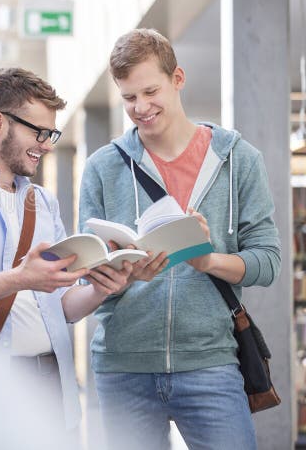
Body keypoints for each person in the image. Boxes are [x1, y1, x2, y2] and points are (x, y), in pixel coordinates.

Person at [78, 28, 281, 450]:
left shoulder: (238, 160)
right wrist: (119, 275)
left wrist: (208, 262)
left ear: (178, 79)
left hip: (211, 364)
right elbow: (88, 273)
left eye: (150, 91)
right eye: (129, 97)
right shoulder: (101, 168)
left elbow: (268, 261)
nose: (141, 107)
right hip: (123, 369)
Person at [0, 67, 130, 448]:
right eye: (38, 132)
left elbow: (60, 307)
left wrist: (103, 288)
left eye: (51, 134)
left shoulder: (42, 201)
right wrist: (19, 278)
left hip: (52, 383)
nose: (46, 145)